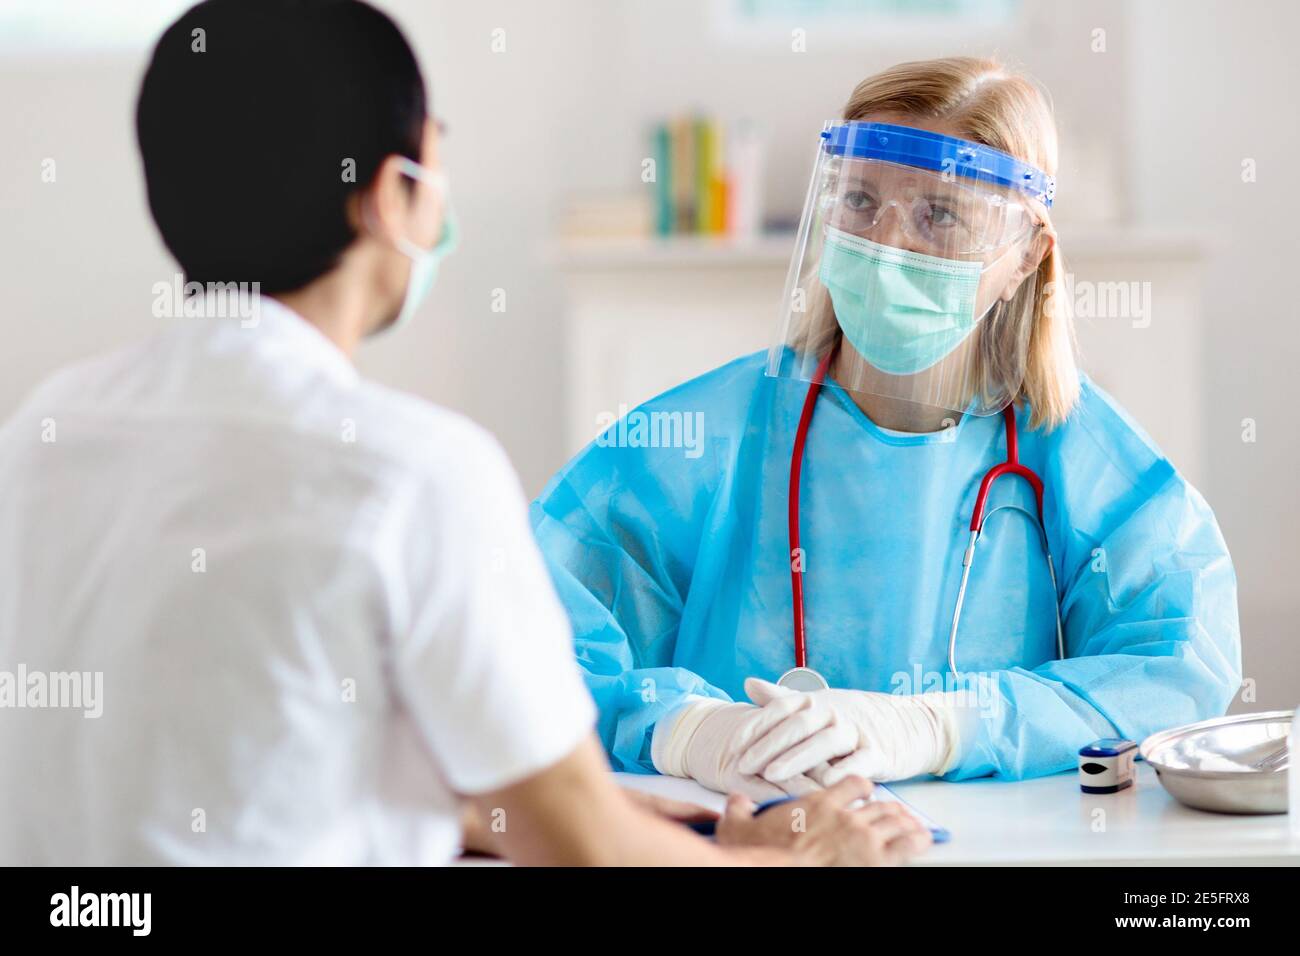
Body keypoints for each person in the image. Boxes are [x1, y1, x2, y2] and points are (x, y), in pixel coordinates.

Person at [0, 0, 929, 867]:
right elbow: (582, 840)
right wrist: (795, 856)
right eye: (435, 153)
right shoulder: (412, 471)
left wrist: (531, 813)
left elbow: (238, 759)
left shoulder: (46, 426)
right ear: (389, 193)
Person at [532, 57, 1242, 797]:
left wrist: (941, 726)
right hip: (743, 831)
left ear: (1025, 254)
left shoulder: (1078, 451)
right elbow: (531, 628)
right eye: (861, 202)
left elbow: (1175, 666)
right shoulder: (705, 435)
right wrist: (684, 730)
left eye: (940, 214)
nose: (888, 245)